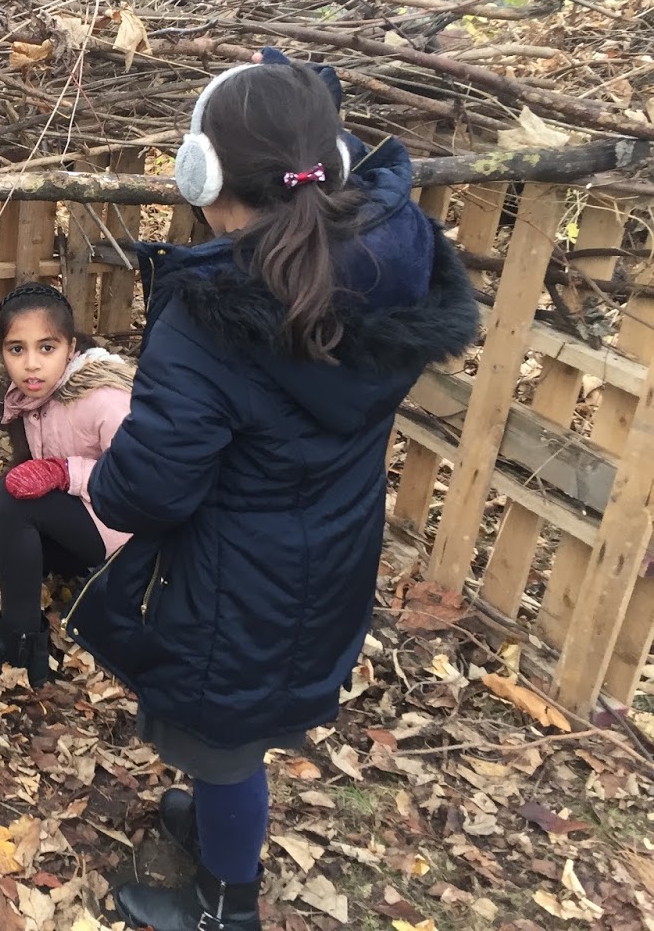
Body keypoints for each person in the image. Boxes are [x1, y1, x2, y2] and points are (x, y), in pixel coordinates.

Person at [64, 51, 480, 930]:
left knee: (222, 743)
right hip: (325, 549)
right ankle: (222, 829)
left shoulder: (216, 318)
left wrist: (110, 460)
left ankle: (226, 902)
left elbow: (148, 490)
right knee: (237, 731)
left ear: (199, 173)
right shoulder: (379, 259)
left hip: (234, 577)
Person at [0, 283, 132, 686]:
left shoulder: (103, 397)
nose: (31, 364)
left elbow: (140, 478)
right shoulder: (31, 397)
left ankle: (20, 638)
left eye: (46, 348)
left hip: (125, 538)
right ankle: (67, 578)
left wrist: (66, 473)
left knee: (16, 502)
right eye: (17, 349)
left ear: (71, 348)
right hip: (78, 526)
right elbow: (32, 470)